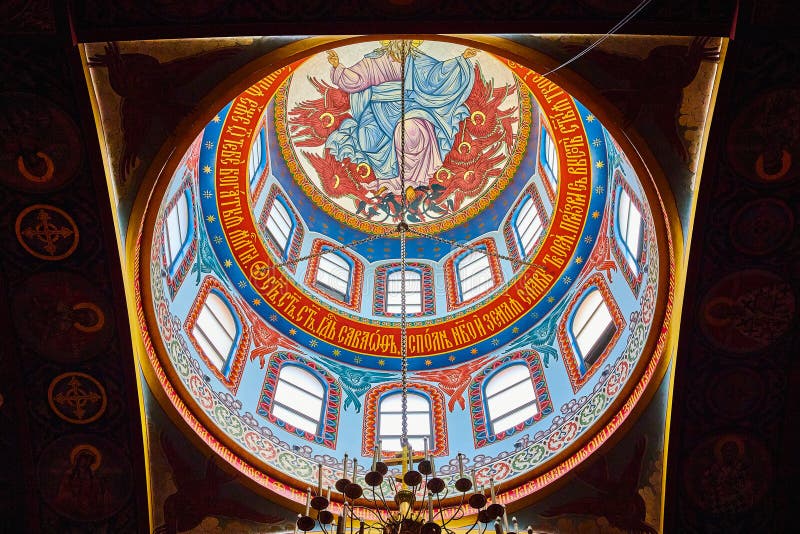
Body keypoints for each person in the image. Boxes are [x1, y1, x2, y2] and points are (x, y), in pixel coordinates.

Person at [325, 40, 476, 195]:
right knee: (366, 137)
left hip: (411, 106)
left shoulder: (416, 59)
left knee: (410, 131)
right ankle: (387, 180)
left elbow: (436, 75)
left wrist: (461, 59)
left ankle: (411, 181)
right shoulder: (374, 60)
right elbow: (356, 79)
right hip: (379, 107)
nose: (400, 43)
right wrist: (338, 67)